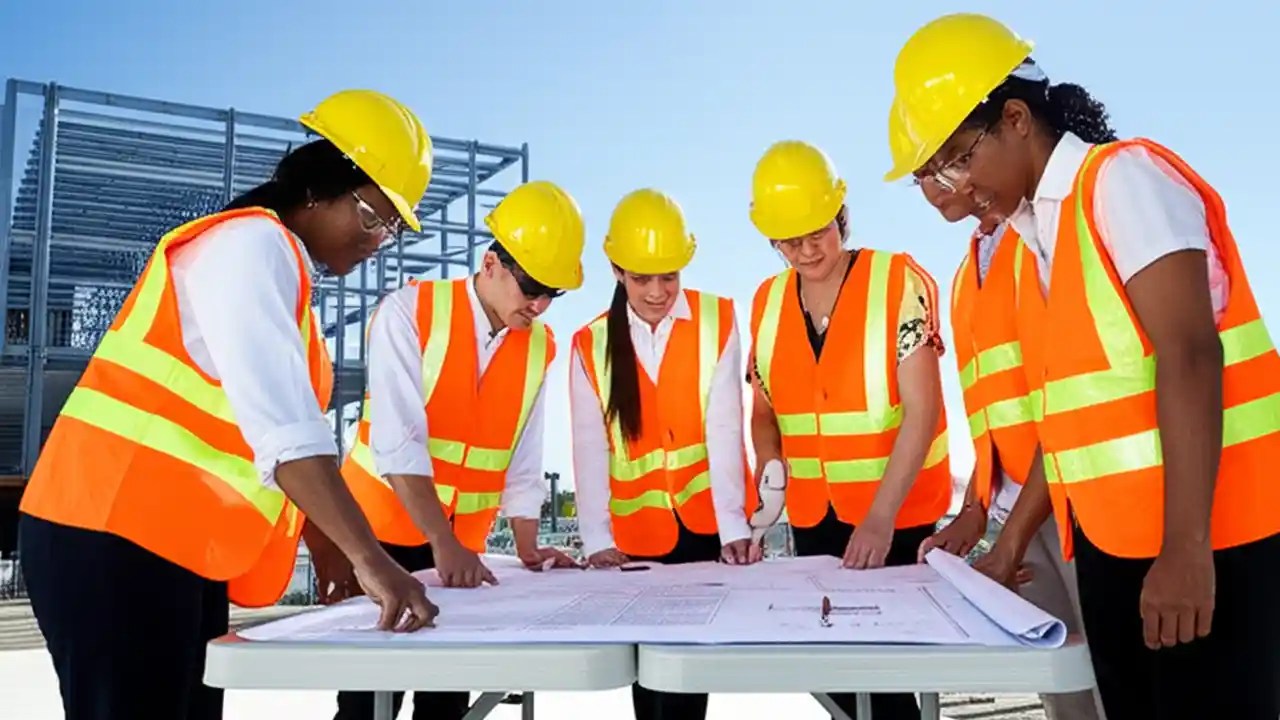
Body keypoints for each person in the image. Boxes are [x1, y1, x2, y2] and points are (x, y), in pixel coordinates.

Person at [886, 13, 1280, 720]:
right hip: (1113, 546)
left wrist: (1187, 550)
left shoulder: (1122, 180)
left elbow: (1190, 353)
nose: (956, 186)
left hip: (1210, 545)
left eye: (959, 158)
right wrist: (1005, 549)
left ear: (1014, 118)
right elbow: (1069, 420)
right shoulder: (1045, 234)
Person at [16, 89, 438, 720]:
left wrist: (325, 547)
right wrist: (370, 558)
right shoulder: (249, 246)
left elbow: (275, 436)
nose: (380, 239)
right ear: (318, 190)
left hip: (172, 545)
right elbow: (288, 435)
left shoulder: (284, 281)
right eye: (374, 217)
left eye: (394, 228)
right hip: (111, 534)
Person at [336, 180, 588, 720]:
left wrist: (527, 545)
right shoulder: (409, 312)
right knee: (368, 702)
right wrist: (441, 541)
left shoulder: (539, 346)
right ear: (492, 262)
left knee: (446, 702)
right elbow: (399, 444)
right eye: (532, 286)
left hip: (461, 547)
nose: (540, 305)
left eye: (554, 294)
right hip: (381, 535)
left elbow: (525, 452)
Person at [746, 140, 951, 720]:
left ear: (842, 217)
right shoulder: (766, 302)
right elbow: (764, 410)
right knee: (832, 670)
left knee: (887, 677)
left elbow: (922, 409)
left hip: (898, 516)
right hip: (815, 518)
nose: (806, 250)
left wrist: (881, 519)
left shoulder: (897, 281)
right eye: (789, 241)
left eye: (818, 233)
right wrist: (772, 471)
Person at [908, 130, 1105, 718]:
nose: (931, 188)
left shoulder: (1042, 243)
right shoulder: (966, 275)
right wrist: (975, 514)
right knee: (1063, 693)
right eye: (923, 175)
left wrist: (1011, 534)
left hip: (1075, 508)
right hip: (1018, 511)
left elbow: (1068, 404)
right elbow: (995, 420)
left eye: (940, 168)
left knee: (1111, 683)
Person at [570, 188, 760, 720]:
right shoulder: (590, 344)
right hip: (633, 543)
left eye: (669, 276)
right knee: (647, 685)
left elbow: (725, 427)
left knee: (686, 680)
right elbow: (589, 447)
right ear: (616, 270)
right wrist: (597, 540)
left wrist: (734, 529)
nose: (658, 291)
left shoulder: (718, 319)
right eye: (642, 278)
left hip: (704, 534)